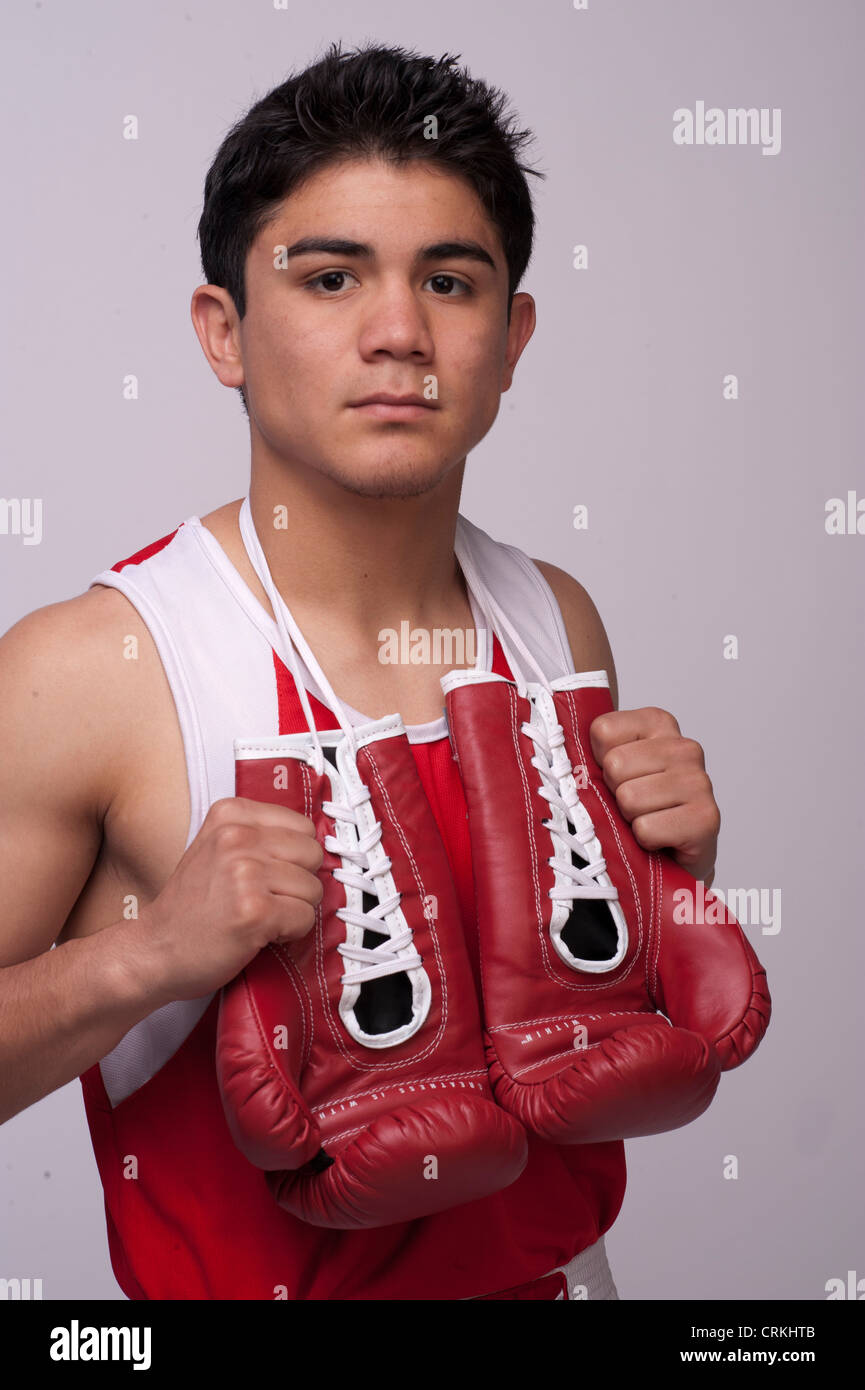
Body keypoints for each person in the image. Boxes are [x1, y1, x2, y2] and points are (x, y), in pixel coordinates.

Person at [0, 40, 724, 1301]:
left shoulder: (555, 621)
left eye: (450, 281)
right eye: (329, 277)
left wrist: (669, 894)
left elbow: (573, 1049)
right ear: (222, 331)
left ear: (512, 336)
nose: (399, 332)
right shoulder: (97, 670)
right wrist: (152, 954)